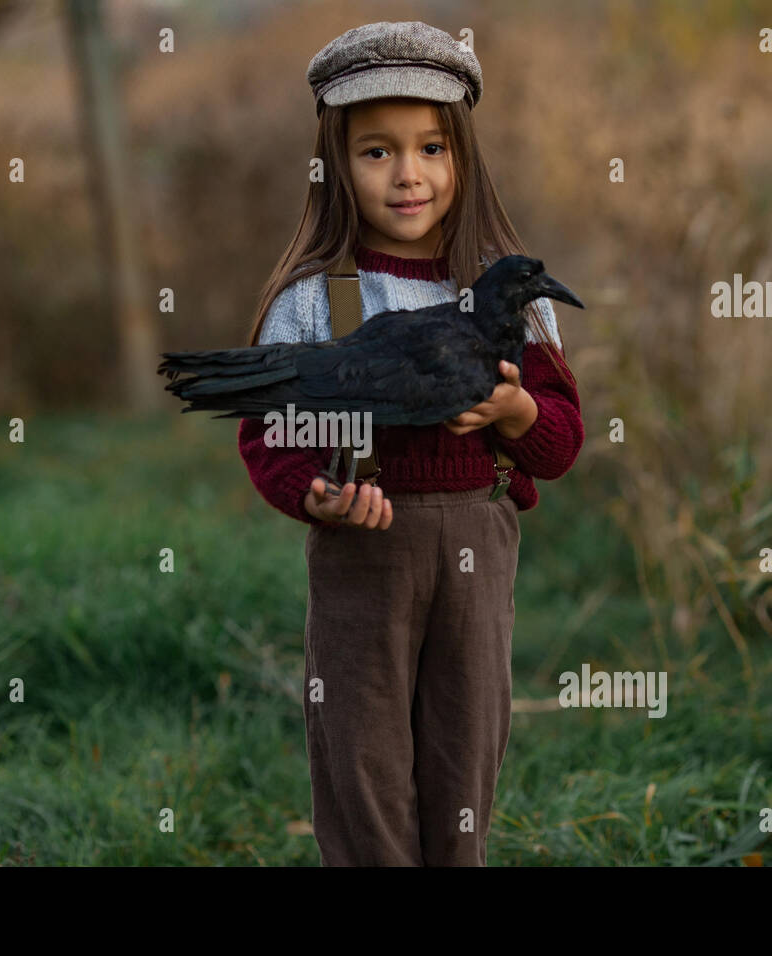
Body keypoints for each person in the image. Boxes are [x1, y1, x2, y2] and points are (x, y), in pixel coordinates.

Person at [237, 21, 585, 866]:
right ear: (333, 165)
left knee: (464, 744)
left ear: (462, 155)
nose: (409, 175)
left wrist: (514, 415)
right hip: (366, 548)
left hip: (479, 541)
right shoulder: (316, 300)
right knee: (361, 748)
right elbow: (271, 431)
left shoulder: (511, 294)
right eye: (377, 152)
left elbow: (562, 436)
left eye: (431, 146)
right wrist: (313, 491)